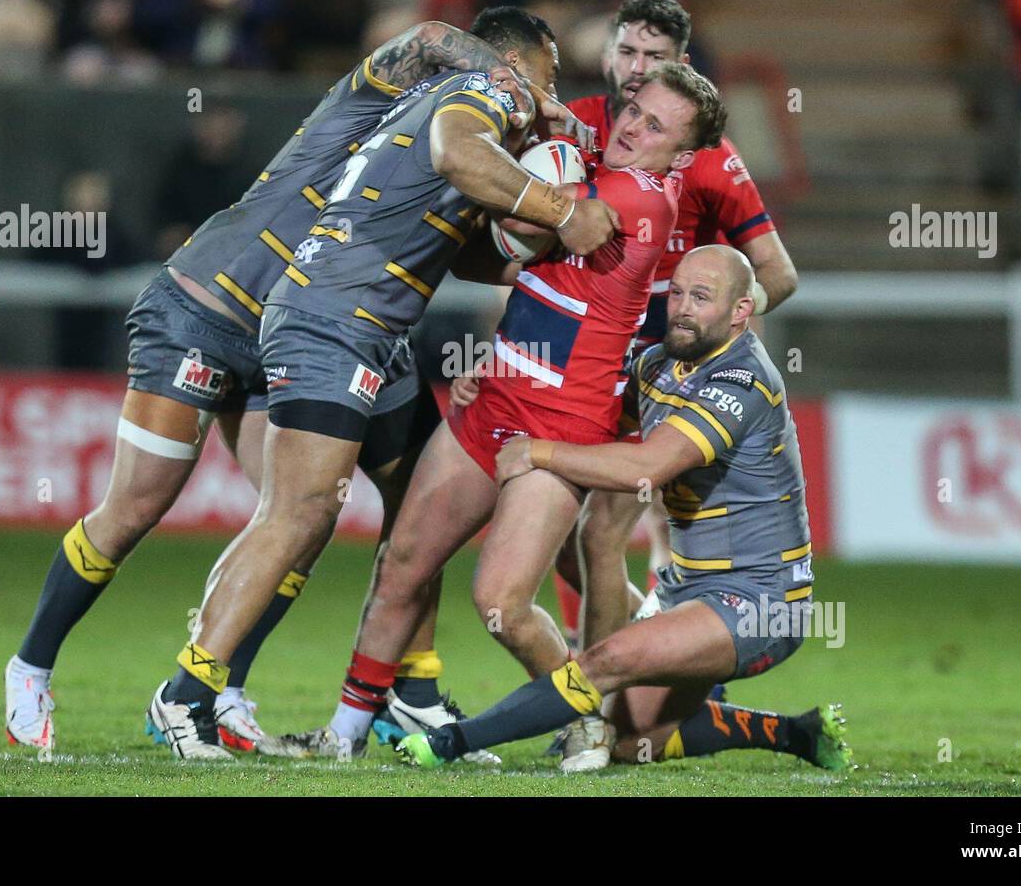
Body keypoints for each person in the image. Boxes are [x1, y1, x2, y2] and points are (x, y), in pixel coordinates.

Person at [4, 18, 536, 757]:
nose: (529, 95)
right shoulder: (381, 94)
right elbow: (428, 36)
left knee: (304, 516)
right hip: (204, 309)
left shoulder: (454, 153)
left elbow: (465, 250)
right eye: (525, 77)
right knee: (136, 506)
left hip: (292, 330)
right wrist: (512, 84)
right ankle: (30, 667)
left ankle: (229, 691)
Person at [146, 7, 620, 759]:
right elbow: (459, 154)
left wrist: (548, 254)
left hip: (366, 329)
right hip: (332, 322)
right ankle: (189, 693)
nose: (552, 93)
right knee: (297, 515)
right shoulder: (486, 93)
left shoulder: (440, 102)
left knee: (414, 509)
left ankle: (411, 694)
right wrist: (562, 210)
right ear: (517, 63)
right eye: (550, 75)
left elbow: (460, 250)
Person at [286, 62, 724, 761]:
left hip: (561, 425)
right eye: (635, 111)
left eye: (656, 127)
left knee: (501, 605)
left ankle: (585, 718)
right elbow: (494, 262)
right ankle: (343, 735)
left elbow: (523, 218)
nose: (634, 128)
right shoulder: (585, 171)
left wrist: (520, 150)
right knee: (402, 562)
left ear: (681, 156)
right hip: (492, 399)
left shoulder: (646, 199)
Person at [397, 245, 850, 773]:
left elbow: (648, 468)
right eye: (676, 292)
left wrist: (535, 452)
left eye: (700, 298)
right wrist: (494, 386)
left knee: (606, 661)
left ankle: (449, 742)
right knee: (635, 743)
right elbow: (587, 412)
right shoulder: (659, 364)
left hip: (762, 602)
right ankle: (798, 733)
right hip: (690, 589)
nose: (681, 307)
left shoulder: (742, 381)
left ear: (739, 312)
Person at [547, 0, 798, 653]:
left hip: (657, 374)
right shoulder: (573, 129)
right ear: (606, 53)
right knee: (557, 541)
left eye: (654, 55)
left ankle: (596, 707)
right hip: (579, 361)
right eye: (627, 50)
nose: (636, 66)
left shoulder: (707, 153)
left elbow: (777, 272)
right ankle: (643, 664)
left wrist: (719, 334)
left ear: (680, 64)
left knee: (601, 533)